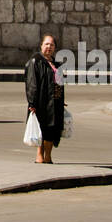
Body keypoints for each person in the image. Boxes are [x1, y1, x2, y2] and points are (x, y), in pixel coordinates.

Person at [25, 34, 66, 163]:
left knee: (52, 129)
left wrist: (61, 100)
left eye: (52, 45)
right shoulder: (35, 61)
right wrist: (32, 102)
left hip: (54, 102)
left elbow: (60, 84)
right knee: (41, 128)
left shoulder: (56, 65)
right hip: (41, 101)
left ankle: (48, 155)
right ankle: (39, 155)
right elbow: (32, 83)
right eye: (47, 44)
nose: (49, 47)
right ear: (41, 45)